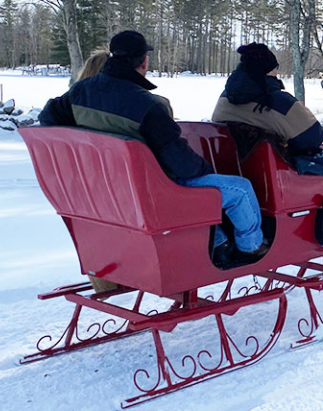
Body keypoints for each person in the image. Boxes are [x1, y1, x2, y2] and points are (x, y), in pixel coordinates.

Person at [39, 31, 267, 266]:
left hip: (108, 186)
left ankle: (219, 242)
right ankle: (250, 247)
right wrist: (206, 169)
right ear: (144, 61)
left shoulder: (80, 92)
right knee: (239, 189)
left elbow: (47, 118)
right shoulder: (150, 105)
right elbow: (181, 164)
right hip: (152, 190)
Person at [212, 43, 323, 254]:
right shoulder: (276, 100)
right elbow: (313, 137)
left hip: (236, 170)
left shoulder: (226, 98)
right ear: (267, 70)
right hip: (277, 177)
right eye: (274, 68)